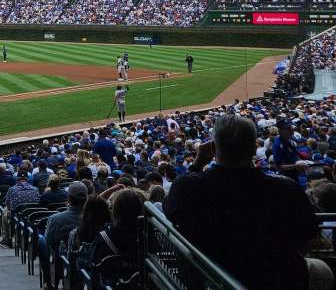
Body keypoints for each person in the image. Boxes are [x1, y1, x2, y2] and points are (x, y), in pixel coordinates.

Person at [164, 114, 323, 290]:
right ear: (254, 149)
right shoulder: (287, 188)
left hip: (211, 280)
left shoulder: (189, 186)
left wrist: (197, 163)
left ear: (213, 148)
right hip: (278, 280)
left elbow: (170, 209)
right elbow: (311, 239)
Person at [39, 181, 87, 288]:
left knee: (41, 240)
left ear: (69, 198)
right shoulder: (95, 219)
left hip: (61, 264)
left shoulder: (55, 219)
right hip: (88, 264)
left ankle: (50, 281)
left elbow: (49, 243)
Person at [88, 188, 143, 271]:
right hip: (140, 282)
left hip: (108, 282)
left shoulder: (104, 236)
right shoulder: (146, 236)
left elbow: (91, 263)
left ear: (116, 210)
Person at [0, 171, 40, 248]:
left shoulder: (12, 189)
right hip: (32, 215)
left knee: (5, 211)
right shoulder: (35, 189)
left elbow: (8, 204)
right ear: (27, 179)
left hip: (17, 216)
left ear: (17, 179)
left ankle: (6, 240)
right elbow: (38, 202)